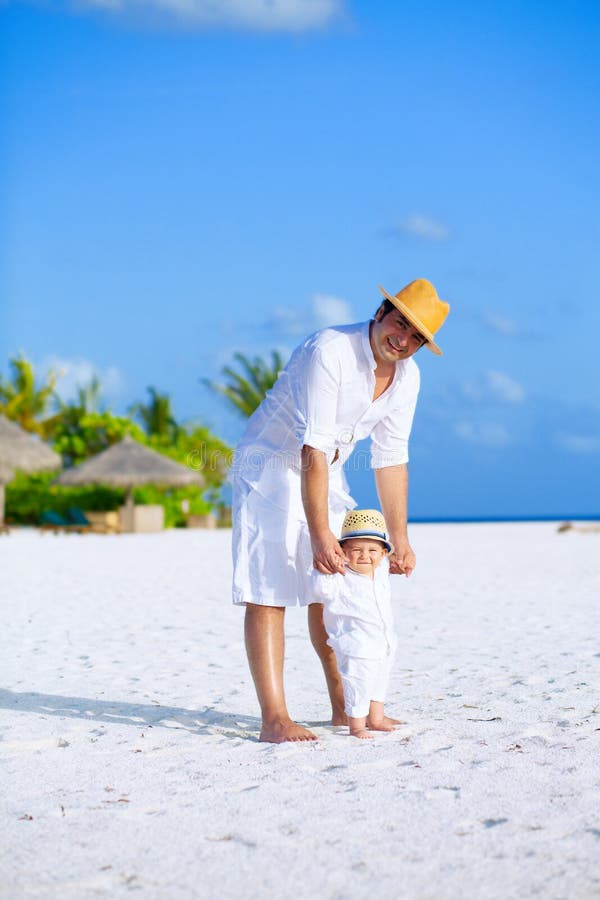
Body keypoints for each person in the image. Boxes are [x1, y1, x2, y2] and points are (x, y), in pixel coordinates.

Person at [231, 278, 450, 742]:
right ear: (380, 313)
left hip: (327, 470)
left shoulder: (408, 377)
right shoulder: (330, 350)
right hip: (270, 464)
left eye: (417, 336)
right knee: (268, 588)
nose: (403, 339)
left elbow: (390, 458)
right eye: (399, 324)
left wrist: (401, 539)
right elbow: (312, 447)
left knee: (333, 582)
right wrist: (319, 535)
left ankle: (343, 704)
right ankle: (275, 720)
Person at [311, 509, 398, 739]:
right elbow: (320, 592)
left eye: (372, 551)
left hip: (384, 640)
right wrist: (324, 570)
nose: (365, 556)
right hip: (356, 643)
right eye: (356, 550)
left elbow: (391, 560)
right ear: (344, 552)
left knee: (379, 680)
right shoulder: (339, 577)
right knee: (358, 683)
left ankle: (376, 718)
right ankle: (356, 725)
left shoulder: (379, 571)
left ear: (382, 554)